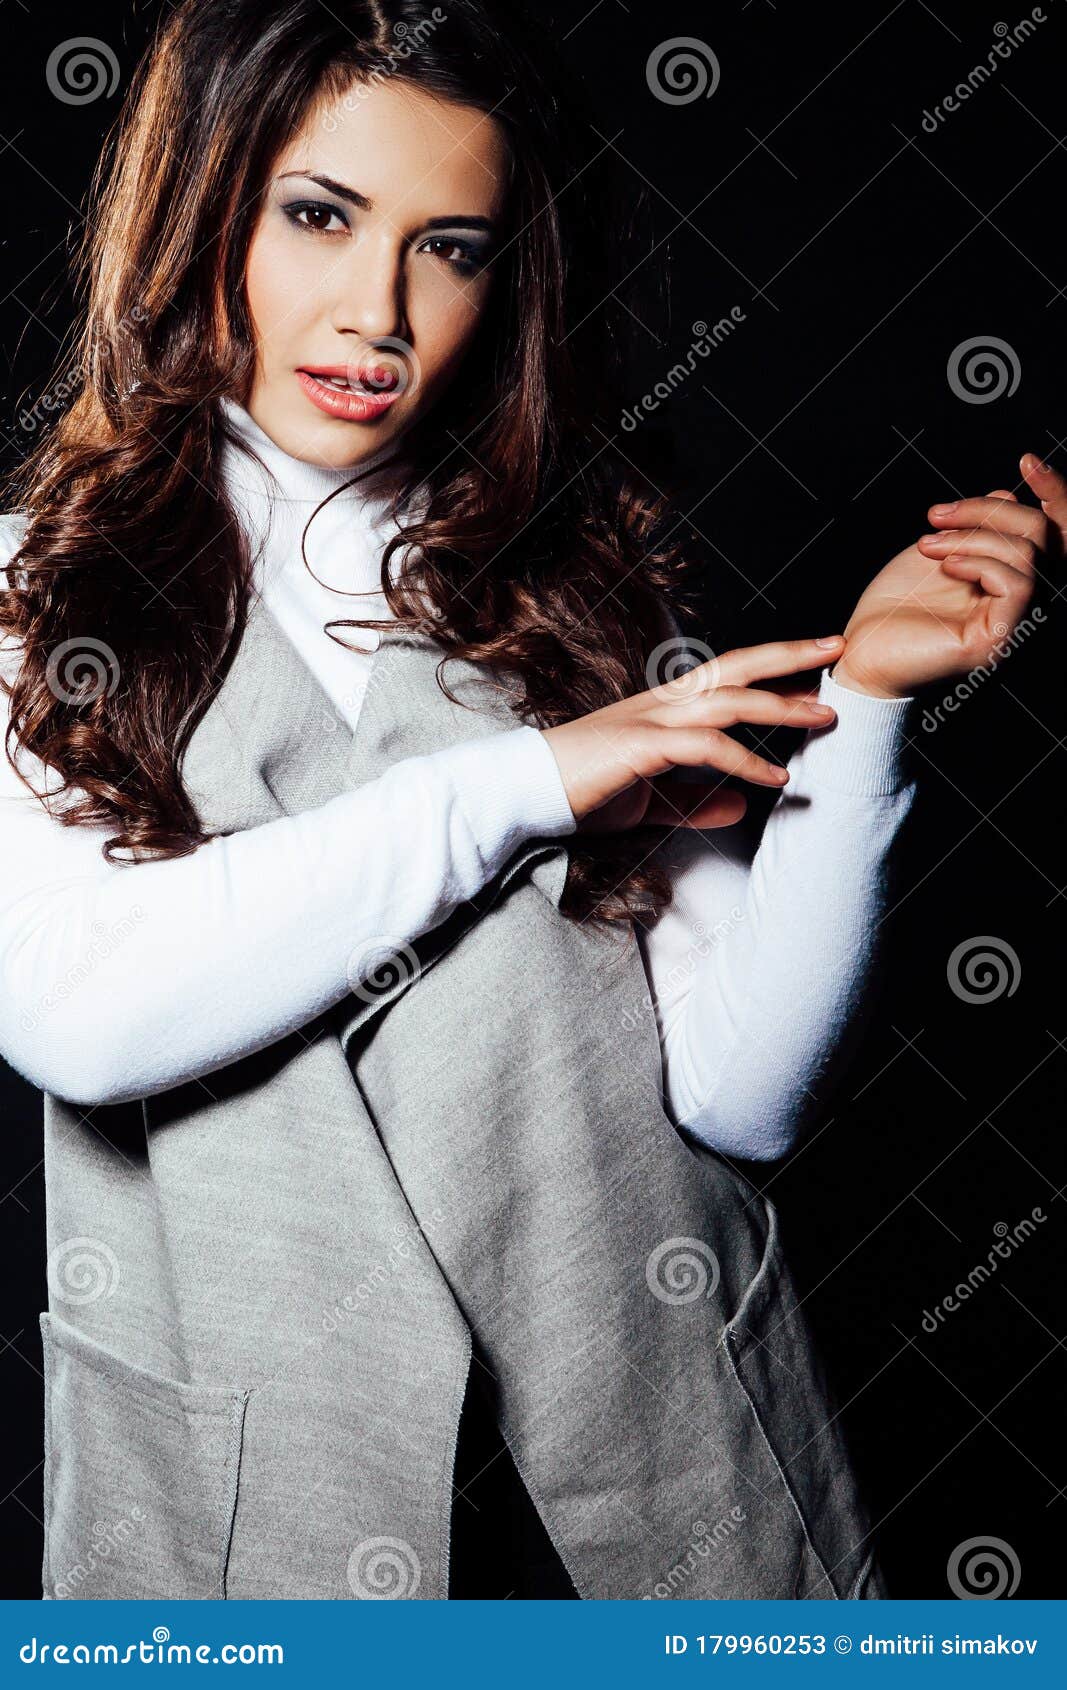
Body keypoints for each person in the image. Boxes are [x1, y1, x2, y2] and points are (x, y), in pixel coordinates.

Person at [0, 0, 1054, 1602]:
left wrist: (865, 720)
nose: (379, 312)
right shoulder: (38, 596)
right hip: (251, 1542)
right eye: (317, 216)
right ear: (200, 204)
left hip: (651, 1499)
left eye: (454, 247)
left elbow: (739, 1098)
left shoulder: (580, 591)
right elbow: (76, 1010)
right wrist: (525, 786)